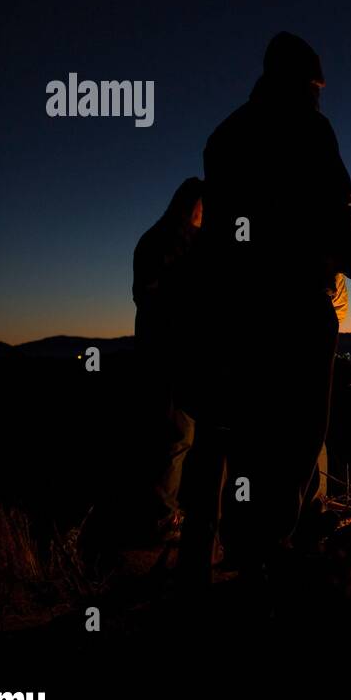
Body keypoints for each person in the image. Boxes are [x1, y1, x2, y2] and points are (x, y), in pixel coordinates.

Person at [184, 32, 351, 587]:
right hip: (296, 301)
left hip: (237, 308)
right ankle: (274, 551)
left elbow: (220, 233)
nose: (319, 95)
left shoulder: (225, 135)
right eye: (314, 85)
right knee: (298, 430)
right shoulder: (308, 129)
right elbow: (337, 213)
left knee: (251, 430)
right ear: (299, 81)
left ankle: (248, 543)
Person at [132, 176, 205, 543]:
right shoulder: (178, 242)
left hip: (157, 349)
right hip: (171, 353)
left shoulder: (152, 238)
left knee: (168, 435)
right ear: (193, 206)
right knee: (175, 435)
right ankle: (160, 521)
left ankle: (162, 513)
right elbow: (165, 296)